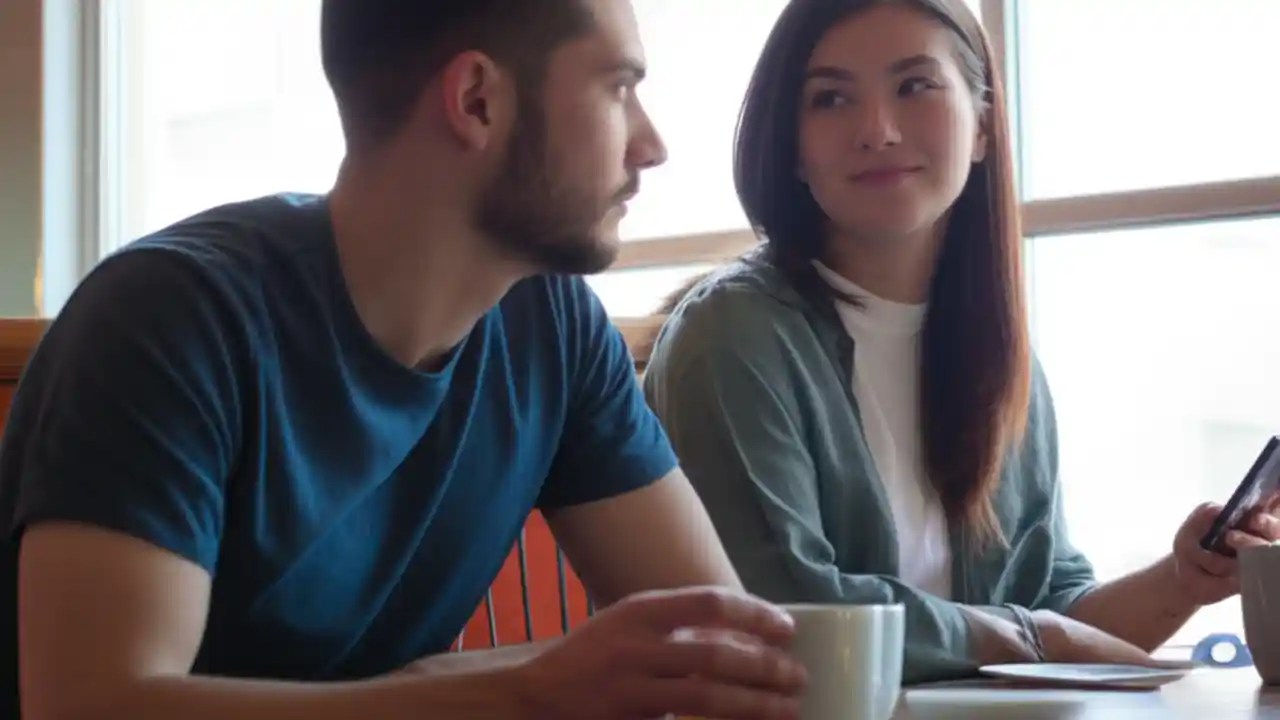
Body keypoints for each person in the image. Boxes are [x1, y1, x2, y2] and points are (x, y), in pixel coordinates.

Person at [0, 1, 810, 718]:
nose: (651, 144)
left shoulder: (551, 327)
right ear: (476, 100)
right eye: (618, 87)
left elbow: (718, 646)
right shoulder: (169, 320)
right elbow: (96, 705)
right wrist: (522, 693)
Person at [642, 0, 1280, 684]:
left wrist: (1183, 579)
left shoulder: (1001, 358)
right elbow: (786, 617)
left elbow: (1054, 620)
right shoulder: (731, 340)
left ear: (982, 124)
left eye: (914, 85)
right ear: (792, 148)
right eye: (829, 98)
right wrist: (1027, 635)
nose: (877, 130)